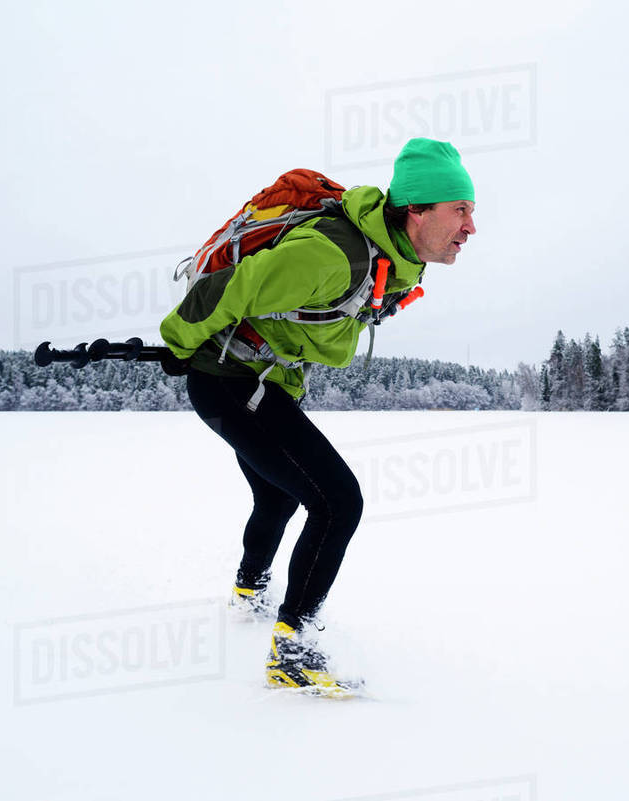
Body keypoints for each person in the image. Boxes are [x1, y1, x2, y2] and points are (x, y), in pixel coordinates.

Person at [160, 138, 476, 695]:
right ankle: (293, 652)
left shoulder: (396, 262)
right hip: (230, 382)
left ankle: (248, 590)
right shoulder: (332, 253)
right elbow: (232, 287)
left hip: (265, 380)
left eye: (471, 211)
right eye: (461, 210)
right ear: (417, 210)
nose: (470, 226)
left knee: (280, 495)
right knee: (337, 501)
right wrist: (178, 342)